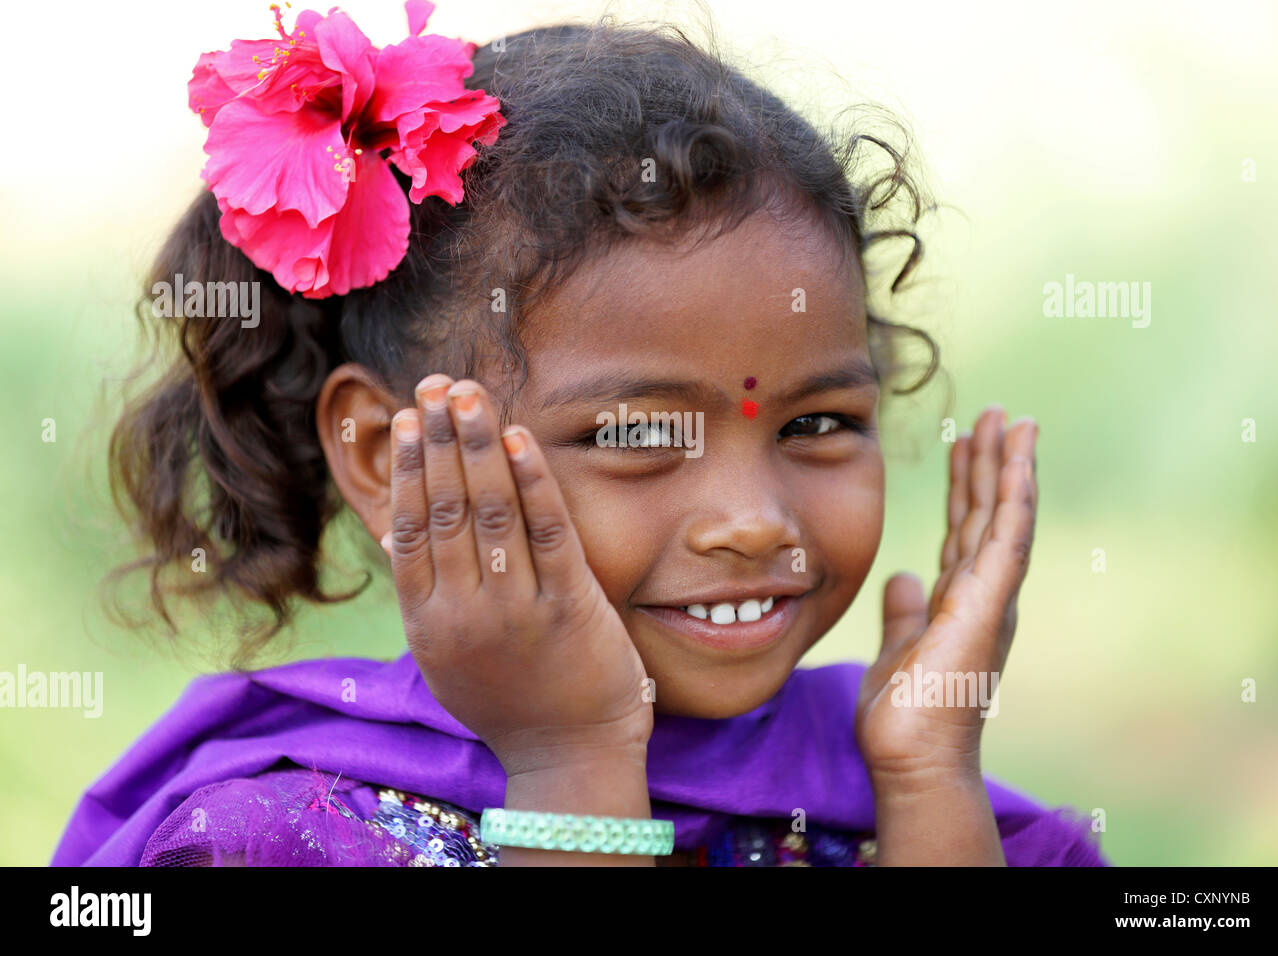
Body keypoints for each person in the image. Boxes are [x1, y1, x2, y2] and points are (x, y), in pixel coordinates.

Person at [51, 1, 1105, 866]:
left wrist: (925, 779)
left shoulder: (938, 814)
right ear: (385, 454)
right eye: (640, 430)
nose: (752, 519)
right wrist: (572, 759)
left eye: (817, 421)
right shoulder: (275, 840)